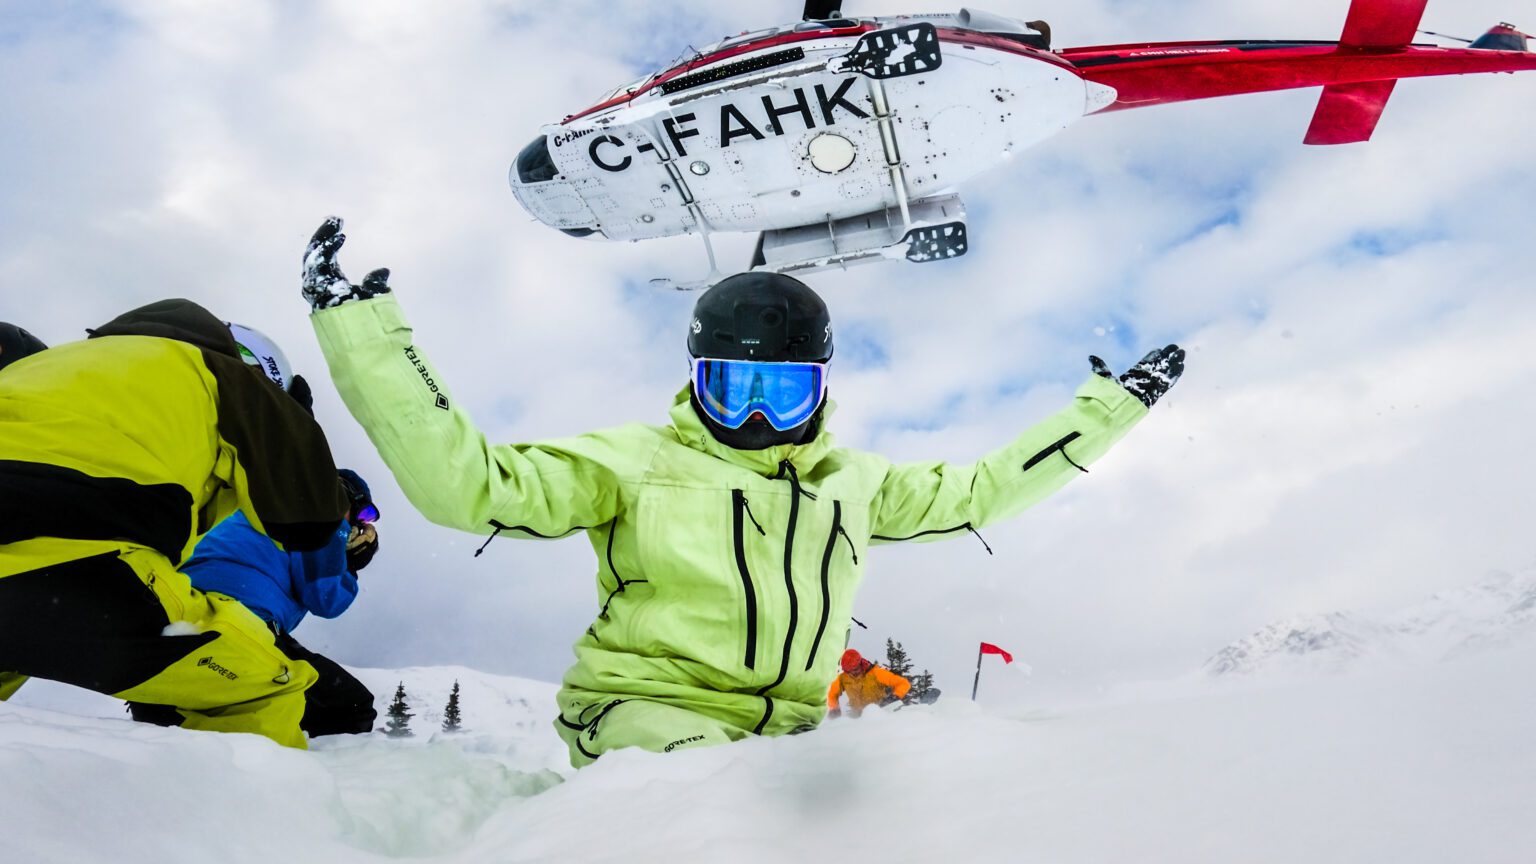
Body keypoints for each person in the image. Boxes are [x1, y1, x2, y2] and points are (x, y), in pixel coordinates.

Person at [298, 216, 1184, 767]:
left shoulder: (852, 485)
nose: (756, 420)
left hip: (788, 733)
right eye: (735, 389)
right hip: (644, 717)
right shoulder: (634, 462)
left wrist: (1112, 408)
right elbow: (471, 487)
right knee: (722, 812)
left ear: (822, 388)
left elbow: (982, 491)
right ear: (697, 380)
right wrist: (365, 335)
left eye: (783, 393)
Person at [0, 300, 349, 748]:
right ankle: (262, 815)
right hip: (80, 565)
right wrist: (294, 425)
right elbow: (309, 516)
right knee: (261, 688)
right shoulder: (221, 374)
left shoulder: (53, 365)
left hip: (38, 560)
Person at [127, 469, 382, 736]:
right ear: (345, 498)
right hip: (240, 624)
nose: (359, 524)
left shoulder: (245, 507)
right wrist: (350, 565)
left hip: (174, 621)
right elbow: (327, 599)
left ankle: (166, 717)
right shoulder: (322, 514)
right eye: (363, 514)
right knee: (352, 707)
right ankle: (305, 771)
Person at [826, 648, 910, 719]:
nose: (853, 673)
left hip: (880, 712)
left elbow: (904, 683)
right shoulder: (843, 677)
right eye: (849, 671)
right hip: (857, 716)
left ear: (860, 663)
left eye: (855, 669)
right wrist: (834, 708)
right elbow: (832, 693)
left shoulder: (876, 673)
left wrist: (895, 696)